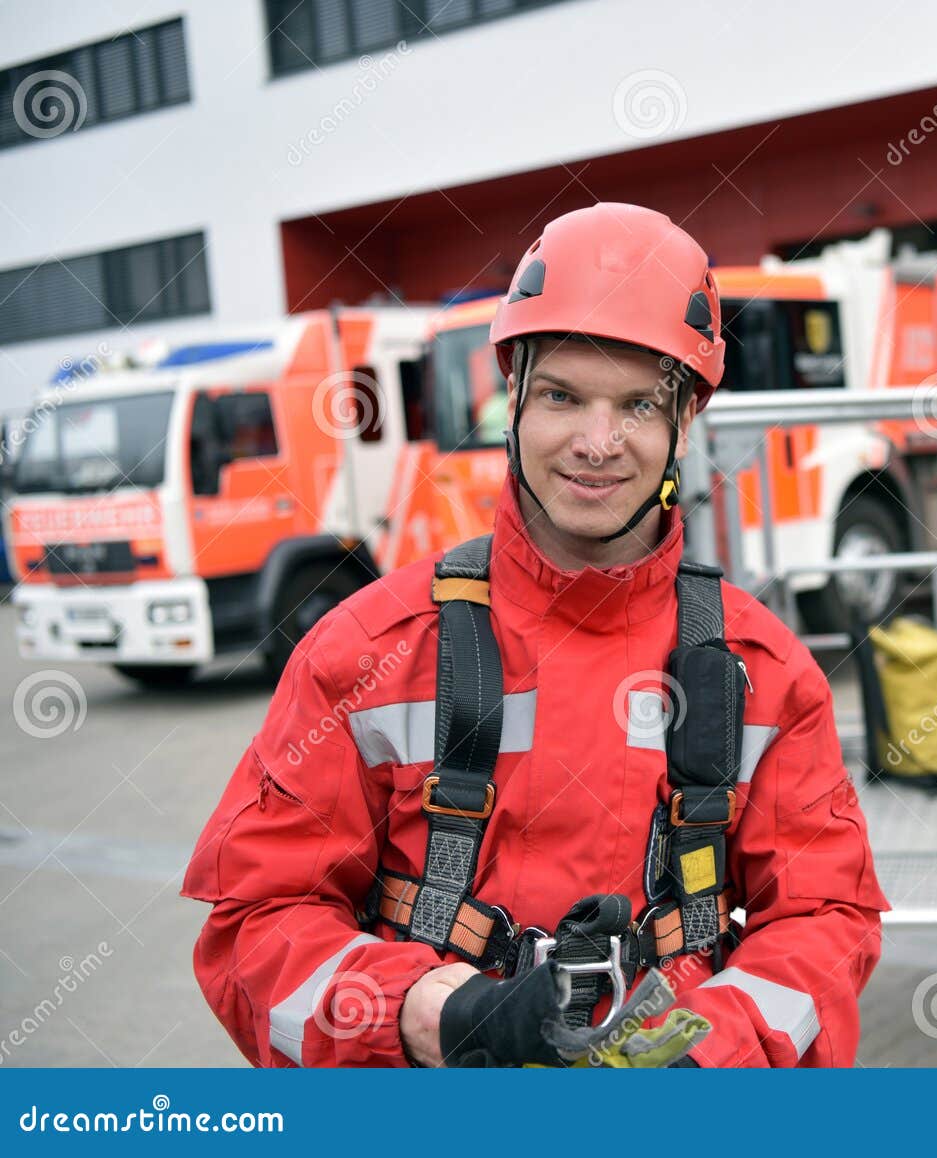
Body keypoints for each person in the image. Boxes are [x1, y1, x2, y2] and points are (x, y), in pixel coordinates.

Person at [181, 202, 889, 1068]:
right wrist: (439, 1014)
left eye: (637, 404)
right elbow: (257, 925)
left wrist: (701, 1056)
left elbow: (823, 920)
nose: (598, 442)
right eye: (562, 396)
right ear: (510, 395)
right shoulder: (367, 652)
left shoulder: (762, 671)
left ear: (685, 424)